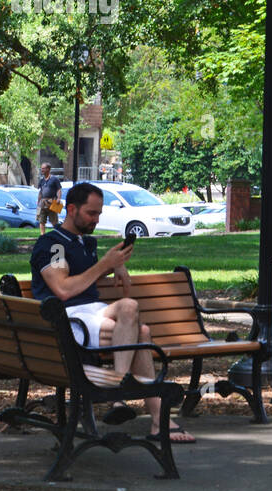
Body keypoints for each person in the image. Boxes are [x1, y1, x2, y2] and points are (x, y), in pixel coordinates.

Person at [29, 182, 194, 443]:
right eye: (91, 213)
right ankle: (138, 407)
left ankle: (138, 409)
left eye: (99, 213)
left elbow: (84, 277)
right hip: (69, 321)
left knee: (135, 317)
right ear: (71, 209)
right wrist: (105, 264)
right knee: (142, 332)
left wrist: (114, 267)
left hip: (92, 314)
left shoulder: (86, 243)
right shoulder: (54, 245)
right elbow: (62, 289)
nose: (97, 219)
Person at [35, 163, 63, 237]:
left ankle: (57, 235)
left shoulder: (54, 179)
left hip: (52, 202)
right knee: (41, 220)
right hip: (42, 203)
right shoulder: (41, 181)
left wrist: (59, 198)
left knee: (54, 221)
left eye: (43, 168)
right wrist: (38, 202)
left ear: (48, 169)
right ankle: (42, 236)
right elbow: (40, 192)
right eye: (42, 168)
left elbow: (59, 190)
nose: (42, 170)